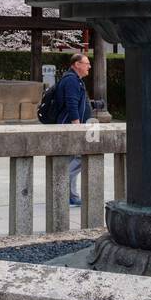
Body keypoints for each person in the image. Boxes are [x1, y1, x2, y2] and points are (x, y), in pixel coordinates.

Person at [56, 52, 92, 206]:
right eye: (86, 63)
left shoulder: (74, 80)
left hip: (71, 125)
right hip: (71, 126)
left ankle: (69, 194)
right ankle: (67, 193)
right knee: (77, 158)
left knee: (73, 159)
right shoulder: (71, 80)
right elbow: (71, 104)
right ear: (77, 64)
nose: (89, 66)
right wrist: (77, 126)